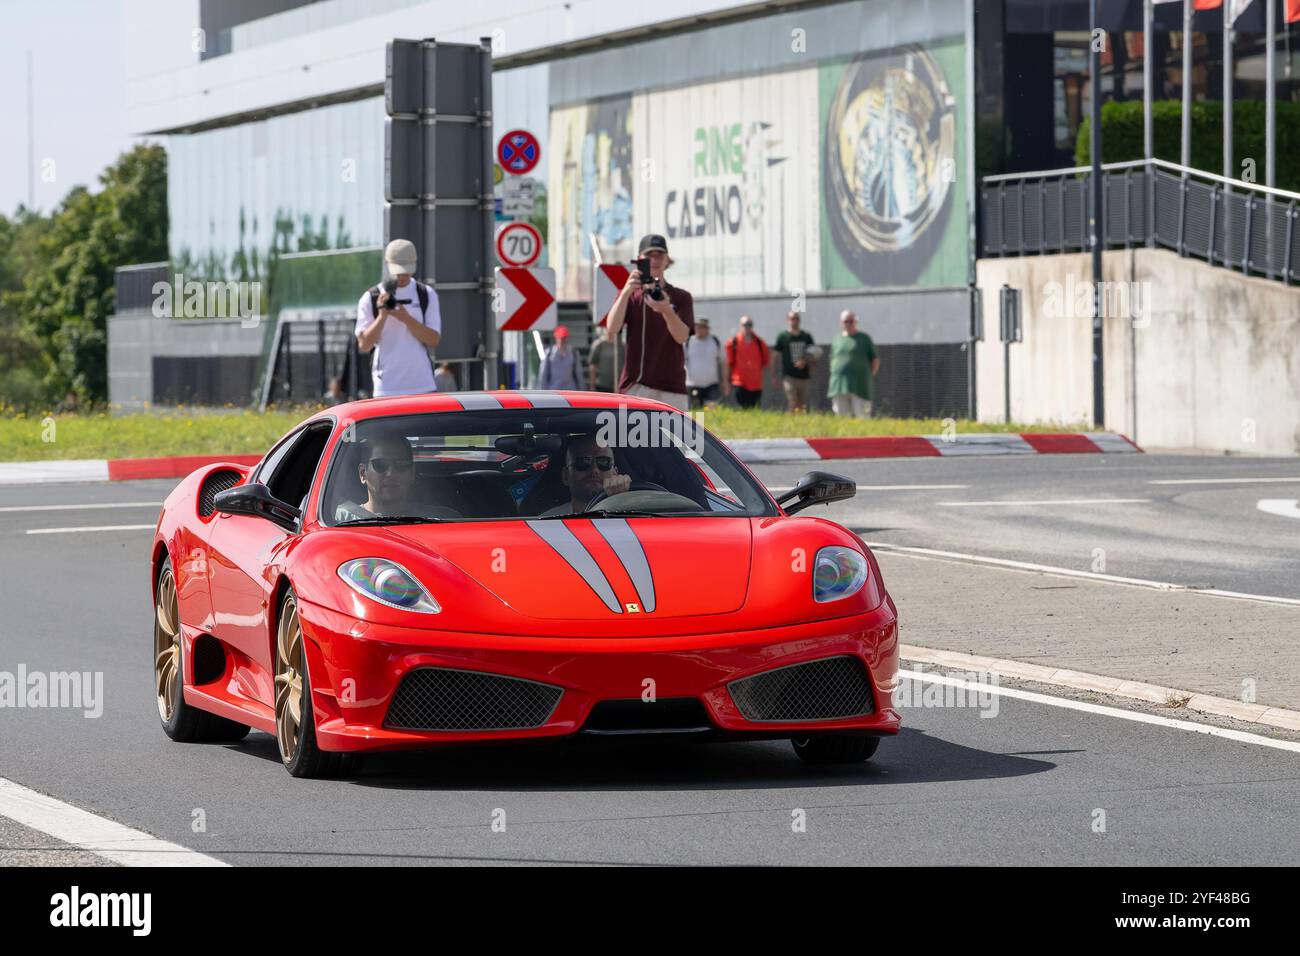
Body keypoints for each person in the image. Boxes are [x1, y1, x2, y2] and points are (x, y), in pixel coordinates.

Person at [604, 234, 694, 412]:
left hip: (672, 389)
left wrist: (667, 310)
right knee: (629, 440)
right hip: (636, 387)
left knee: (675, 440)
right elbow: (612, 328)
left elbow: (682, 336)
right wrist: (625, 292)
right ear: (639, 260)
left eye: (659, 255)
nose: (654, 260)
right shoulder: (631, 295)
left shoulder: (681, 297)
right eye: (649, 255)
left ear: (667, 260)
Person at [355, 239, 442, 397]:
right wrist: (382, 316)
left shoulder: (426, 294)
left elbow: (433, 340)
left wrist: (406, 318)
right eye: (398, 271)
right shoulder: (371, 297)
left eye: (406, 270)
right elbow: (364, 345)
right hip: (385, 387)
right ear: (387, 263)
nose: (402, 276)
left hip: (422, 384)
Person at [333, 435, 460, 522]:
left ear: (412, 474)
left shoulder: (442, 519)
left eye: (401, 465)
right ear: (362, 473)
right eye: (380, 465)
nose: (391, 473)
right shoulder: (336, 519)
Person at [539, 434, 631, 517]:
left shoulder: (635, 513)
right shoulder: (546, 522)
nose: (594, 470)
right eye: (582, 463)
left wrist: (621, 500)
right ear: (566, 476)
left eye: (603, 462)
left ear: (615, 473)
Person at [828, 310, 879, 417]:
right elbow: (832, 359)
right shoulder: (837, 339)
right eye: (846, 321)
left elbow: (875, 360)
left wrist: (869, 375)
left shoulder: (864, 338)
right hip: (839, 386)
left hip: (860, 385)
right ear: (841, 323)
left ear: (856, 322)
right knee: (842, 419)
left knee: (862, 417)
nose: (848, 324)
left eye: (851, 321)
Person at [725, 315, 770, 409]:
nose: (747, 327)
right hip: (739, 382)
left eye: (749, 325)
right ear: (740, 326)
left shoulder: (759, 343)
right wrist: (727, 381)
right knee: (742, 408)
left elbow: (765, 361)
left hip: (755, 384)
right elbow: (729, 363)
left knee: (754, 410)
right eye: (745, 325)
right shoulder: (733, 342)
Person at [775, 311, 816, 413]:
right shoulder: (783, 336)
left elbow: (813, 353)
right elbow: (774, 355)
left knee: (802, 404)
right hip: (789, 376)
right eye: (792, 319)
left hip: (804, 376)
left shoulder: (806, 336)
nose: (795, 321)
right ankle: (791, 425)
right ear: (787, 320)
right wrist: (773, 374)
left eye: (797, 318)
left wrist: (805, 361)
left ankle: (801, 425)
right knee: (792, 401)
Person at [685, 317, 727, 409]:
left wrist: (725, 381)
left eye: (702, 327)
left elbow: (723, 362)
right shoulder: (688, 342)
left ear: (707, 329)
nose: (699, 330)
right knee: (696, 415)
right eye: (697, 327)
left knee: (712, 412)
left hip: (711, 386)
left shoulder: (715, 341)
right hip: (693, 385)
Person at [537, 326, 583, 390]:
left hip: (570, 391)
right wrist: (543, 392)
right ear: (556, 338)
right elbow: (543, 374)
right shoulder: (548, 353)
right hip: (553, 391)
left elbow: (579, 374)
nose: (562, 340)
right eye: (560, 338)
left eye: (564, 338)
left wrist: (582, 390)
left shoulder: (574, 353)